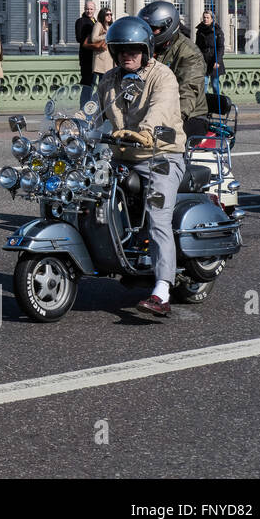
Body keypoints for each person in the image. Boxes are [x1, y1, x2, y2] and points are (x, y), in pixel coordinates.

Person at [92, 16, 186, 317]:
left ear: (146, 51)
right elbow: (94, 109)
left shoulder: (163, 77)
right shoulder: (109, 79)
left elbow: (162, 107)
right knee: (86, 195)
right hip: (122, 157)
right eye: (121, 50)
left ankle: (161, 291)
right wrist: (67, 128)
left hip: (161, 156)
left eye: (133, 50)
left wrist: (145, 132)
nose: (126, 56)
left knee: (158, 217)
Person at [140, 0, 208, 136]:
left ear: (168, 26)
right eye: (145, 28)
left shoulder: (189, 53)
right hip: (149, 111)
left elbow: (187, 94)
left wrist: (165, 121)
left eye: (153, 28)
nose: (149, 33)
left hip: (189, 116)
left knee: (161, 145)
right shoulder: (145, 48)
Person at [194, 10, 223, 96]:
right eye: (204, 17)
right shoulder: (200, 30)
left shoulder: (217, 31)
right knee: (204, 84)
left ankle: (218, 105)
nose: (205, 19)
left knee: (215, 84)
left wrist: (217, 61)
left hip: (214, 60)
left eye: (207, 18)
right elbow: (197, 47)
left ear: (212, 19)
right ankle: (205, 105)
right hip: (204, 61)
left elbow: (221, 47)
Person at [75, 0, 98, 105]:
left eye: (91, 9)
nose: (89, 11)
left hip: (96, 58)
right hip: (86, 58)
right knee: (87, 84)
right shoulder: (81, 21)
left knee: (93, 83)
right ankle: (84, 107)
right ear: (84, 9)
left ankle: (89, 106)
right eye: (87, 9)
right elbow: (79, 38)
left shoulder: (96, 21)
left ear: (95, 10)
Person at [88, 7, 114, 81]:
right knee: (102, 81)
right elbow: (93, 39)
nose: (109, 16)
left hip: (110, 56)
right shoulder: (98, 24)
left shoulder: (111, 26)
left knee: (108, 81)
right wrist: (105, 36)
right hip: (102, 56)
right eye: (107, 14)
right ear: (103, 15)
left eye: (111, 14)